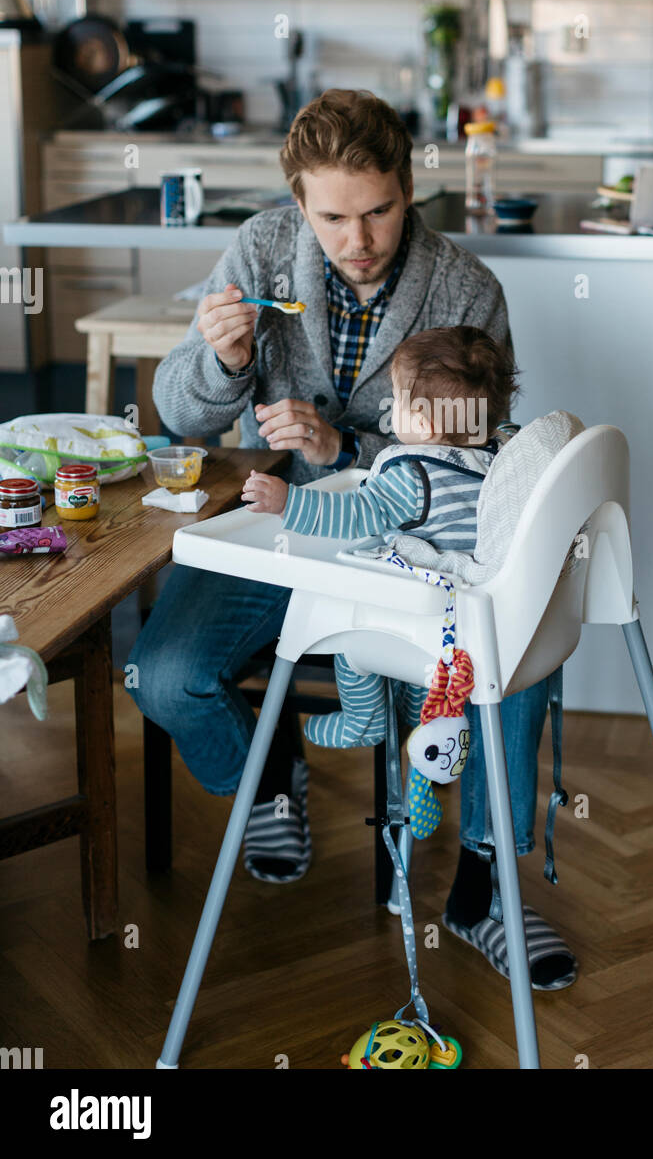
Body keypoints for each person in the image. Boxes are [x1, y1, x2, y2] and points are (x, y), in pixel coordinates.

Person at [129, 88, 576, 989]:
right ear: (299, 205)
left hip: (406, 550)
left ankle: (485, 888)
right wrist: (221, 363)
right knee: (164, 675)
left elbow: (475, 447)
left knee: (516, 632)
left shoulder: (465, 291)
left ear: (409, 191)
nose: (358, 240)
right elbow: (176, 411)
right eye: (332, 217)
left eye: (377, 211)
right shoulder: (258, 252)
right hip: (276, 523)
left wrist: (354, 450)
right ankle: (267, 773)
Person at [242, 324, 516, 749]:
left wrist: (287, 502)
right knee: (420, 659)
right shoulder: (497, 464)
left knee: (346, 633)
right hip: (462, 627)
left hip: (409, 615)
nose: (391, 410)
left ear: (422, 426)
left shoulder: (414, 476)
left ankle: (363, 719)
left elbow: (356, 515)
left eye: (397, 402)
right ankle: (413, 709)